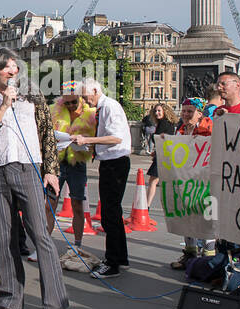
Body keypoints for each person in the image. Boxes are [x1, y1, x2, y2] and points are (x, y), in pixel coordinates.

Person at [0, 48, 67, 309]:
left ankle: (55, 303)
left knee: (40, 235)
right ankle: (11, 298)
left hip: (29, 167)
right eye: (6, 67)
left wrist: (51, 170)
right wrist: (2, 106)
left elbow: (48, 133)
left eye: (14, 66)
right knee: (6, 236)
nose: (12, 71)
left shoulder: (33, 95)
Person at [73, 77, 133, 279]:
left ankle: (112, 262)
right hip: (111, 162)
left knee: (110, 213)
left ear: (95, 91)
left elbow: (116, 138)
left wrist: (88, 140)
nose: (84, 101)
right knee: (112, 212)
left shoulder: (110, 107)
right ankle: (120, 257)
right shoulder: (105, 107)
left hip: (115, 164)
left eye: (85, 96)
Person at [53, 81, 98, 271]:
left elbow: (98, 139)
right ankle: (43, 246)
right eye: (67, 102)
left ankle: (77, 245)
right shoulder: (54, 110)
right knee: (50, 203)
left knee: (78, 203)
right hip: (57, 161)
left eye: (74, 102)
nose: (70, 106)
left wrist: (88, 145)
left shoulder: (92, 115)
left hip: (77, 162)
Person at [169, 97, 214, 271]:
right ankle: (190, 253)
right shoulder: (181, 129)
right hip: (185, 178)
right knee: (187, 217)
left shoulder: (208, 129)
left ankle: (209, 258)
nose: (186, 114)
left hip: (204, 180)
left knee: (206, 218)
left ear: (199, 113)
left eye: (190, 111)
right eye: (184, 110)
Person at [144, 103, 176, 207]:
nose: (157, 113)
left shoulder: (163, 123)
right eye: (155, 111)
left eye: (159, 111)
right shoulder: (168, 122)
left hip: (163, 156)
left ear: (165, 112)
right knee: (161, 182)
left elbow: (162, 139)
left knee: (153, 181)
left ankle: (146, 206)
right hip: (164, 154)